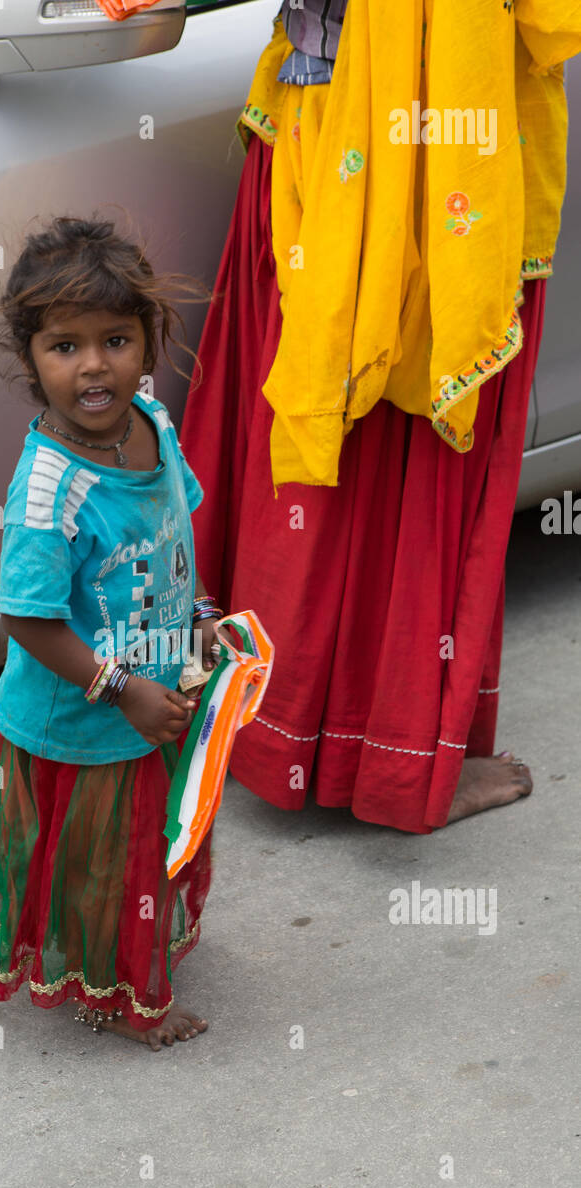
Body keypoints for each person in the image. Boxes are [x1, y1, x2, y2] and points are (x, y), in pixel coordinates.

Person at [179, 0, 580, 834]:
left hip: (357, 149)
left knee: (337, 451)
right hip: (410, 175)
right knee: (402, 457)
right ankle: (395, 759)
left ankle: (303, 736)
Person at [0, 215, 220, 1050]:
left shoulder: (152, 423)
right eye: (65, 346)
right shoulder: (50, 489)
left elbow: (176, 531)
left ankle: (126, 954)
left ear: (148, 341)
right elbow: (27, 616)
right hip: (84, 714)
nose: (94, 365)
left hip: (155, 690)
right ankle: (112, 995)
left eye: (116, 339)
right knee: (100, 863)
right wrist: (120, 690)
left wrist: (198, 619)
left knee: (147, 844)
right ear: (32, 359)